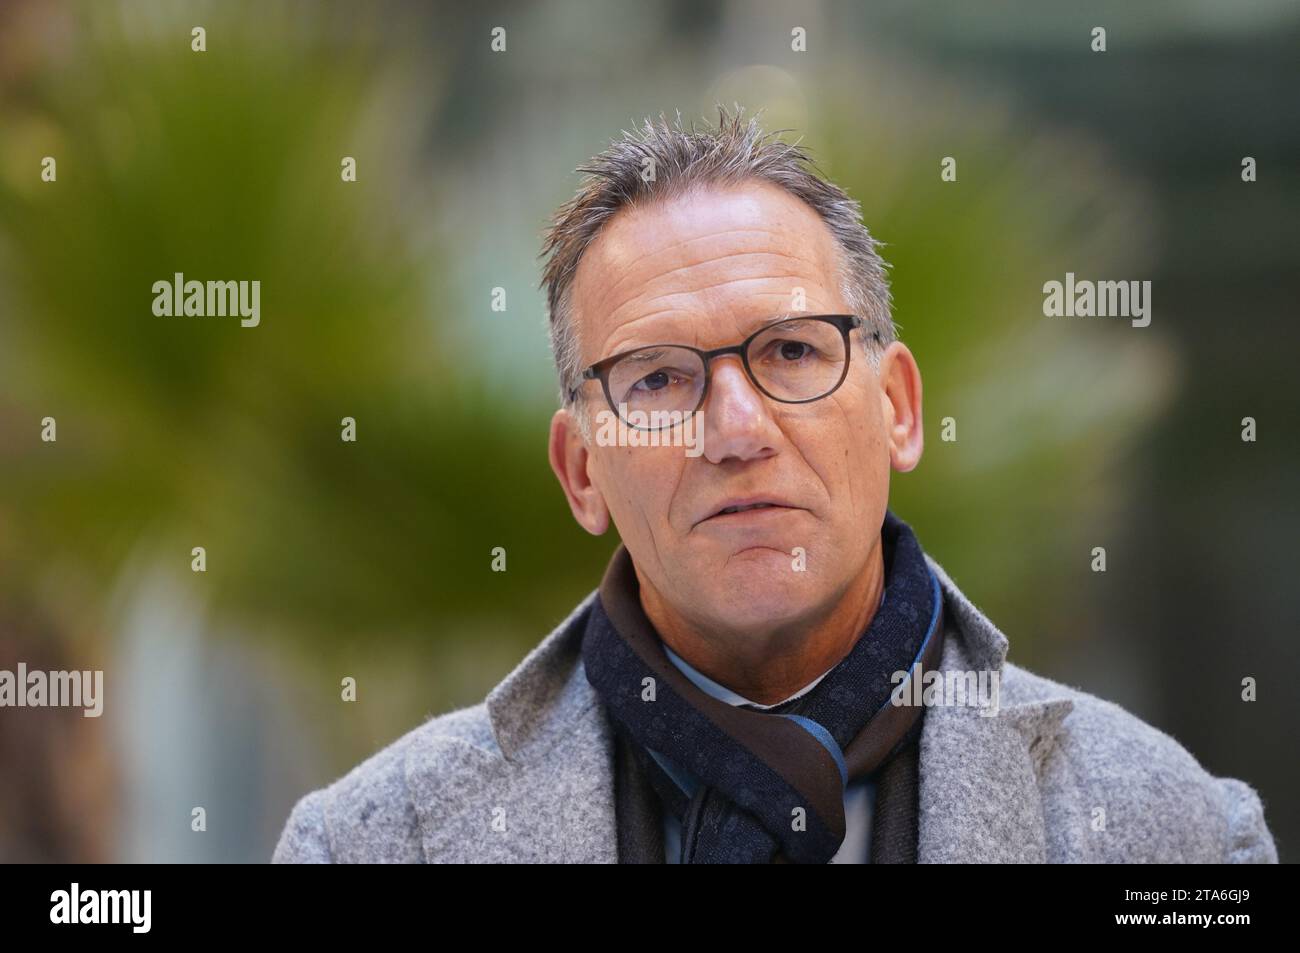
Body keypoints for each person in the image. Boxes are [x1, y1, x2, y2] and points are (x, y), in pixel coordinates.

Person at [272, 107, 1278, 863]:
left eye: (792, 351)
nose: (736, 428)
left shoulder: (1173, 834)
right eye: (658, 376)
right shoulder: (376, 841)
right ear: (581, 469)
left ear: (897, 407)